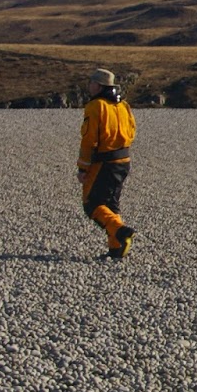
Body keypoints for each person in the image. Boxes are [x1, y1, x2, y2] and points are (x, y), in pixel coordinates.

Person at [78, 68, 138, 259]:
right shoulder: (124, 106)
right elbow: (132, 131)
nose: (89, 86)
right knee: (111, 204)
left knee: (91, 203)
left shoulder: (95, 106)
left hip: (104, 161)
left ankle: (119, 231)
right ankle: (116, 248)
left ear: (99, 85)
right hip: (124, 159)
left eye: (91, 82)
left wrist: (83, 167)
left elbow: (89, 139)